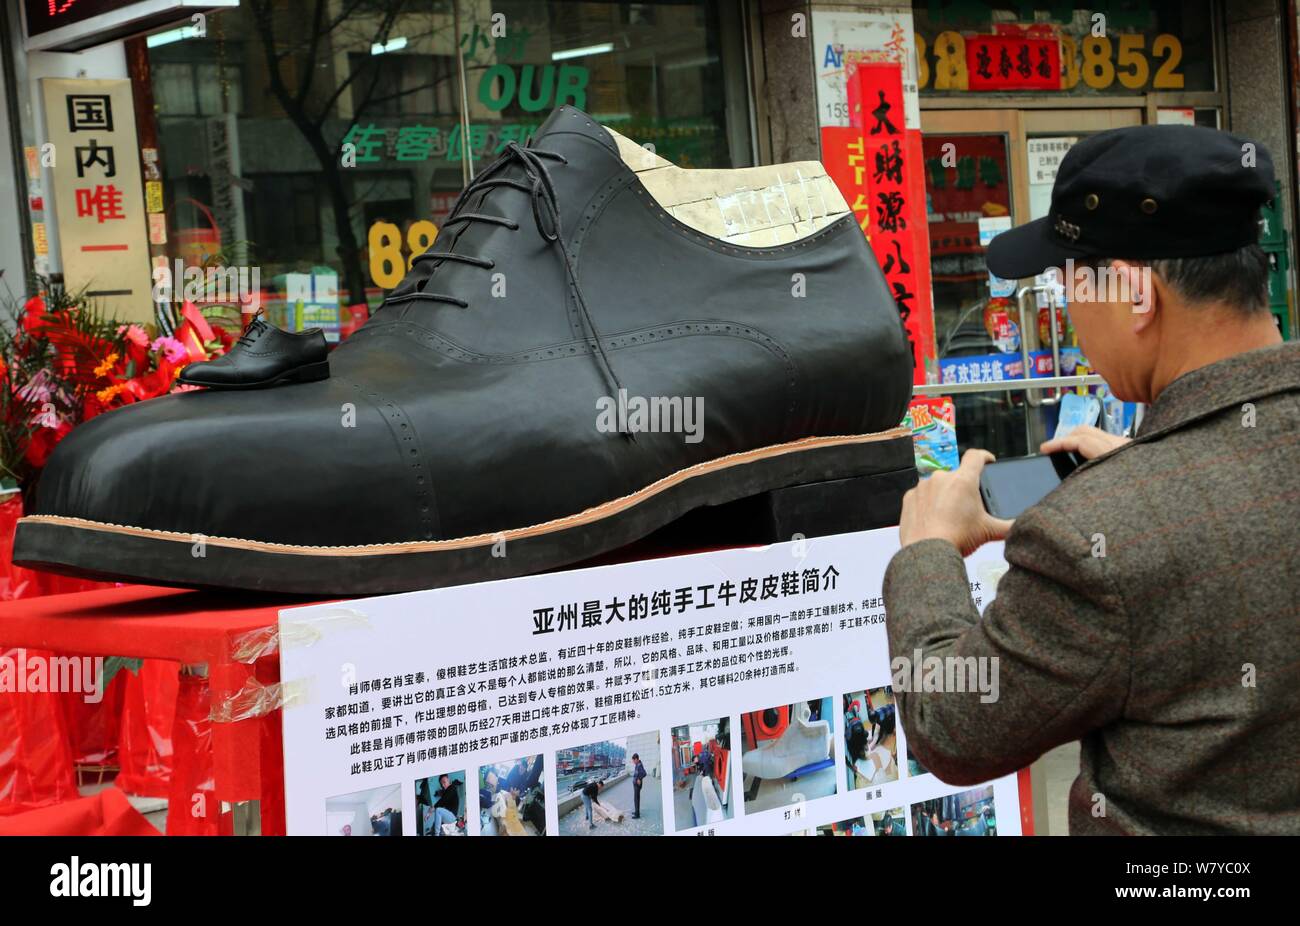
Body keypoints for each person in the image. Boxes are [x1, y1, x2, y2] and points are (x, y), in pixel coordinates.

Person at [883, 124, 1300, 835]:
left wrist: (925, 553)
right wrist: (1152, 474)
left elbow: (951, 725)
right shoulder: (1126, 508)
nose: (1070, 316)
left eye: (1068, 280)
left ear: (1135, 293)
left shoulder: (1090, 543)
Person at [630, 753, 647, 819]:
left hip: (637, 785)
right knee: (636, 799)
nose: (633, 762)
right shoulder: (637, 764)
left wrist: (639, 779)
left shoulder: (639, 765)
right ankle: (636, 811)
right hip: (636, 785)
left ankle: (637, 815)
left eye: (634, 760)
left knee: (636, 799)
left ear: (636, 759)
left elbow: (644, 773)